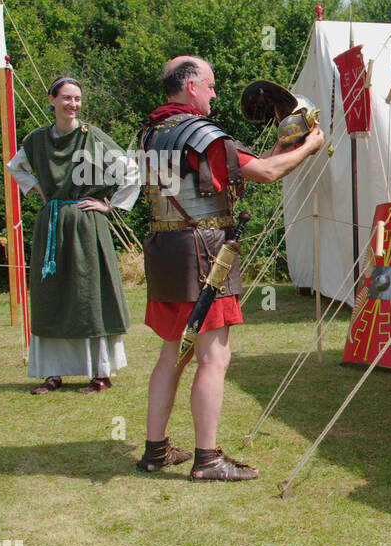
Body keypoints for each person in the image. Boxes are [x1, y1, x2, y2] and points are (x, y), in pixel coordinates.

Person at [135, 57, 323, 480]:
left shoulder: (151, 132)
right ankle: (207, 459)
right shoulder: (201, 134)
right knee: (213, 357)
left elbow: (242, 167)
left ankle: (156, 450)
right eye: (211, 85)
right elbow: (266, 173)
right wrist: (310, 147)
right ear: (191, 86)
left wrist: (282, 146)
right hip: (202, 253)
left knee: (173, 353)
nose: (215, 94)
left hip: (166, 249)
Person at [7, 75, 139, 394]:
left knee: (88, 297)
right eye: (66, 98)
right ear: (51, 101)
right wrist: (37, 188)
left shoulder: (91, 136)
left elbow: (131, 171)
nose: (73, 104)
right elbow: (15, 167)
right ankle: (52, 373)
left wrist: (109, 206)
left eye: (77, 98)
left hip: (84, 223)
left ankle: (100, 373)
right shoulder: (37, 140)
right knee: (52, 297)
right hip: (52, 224)